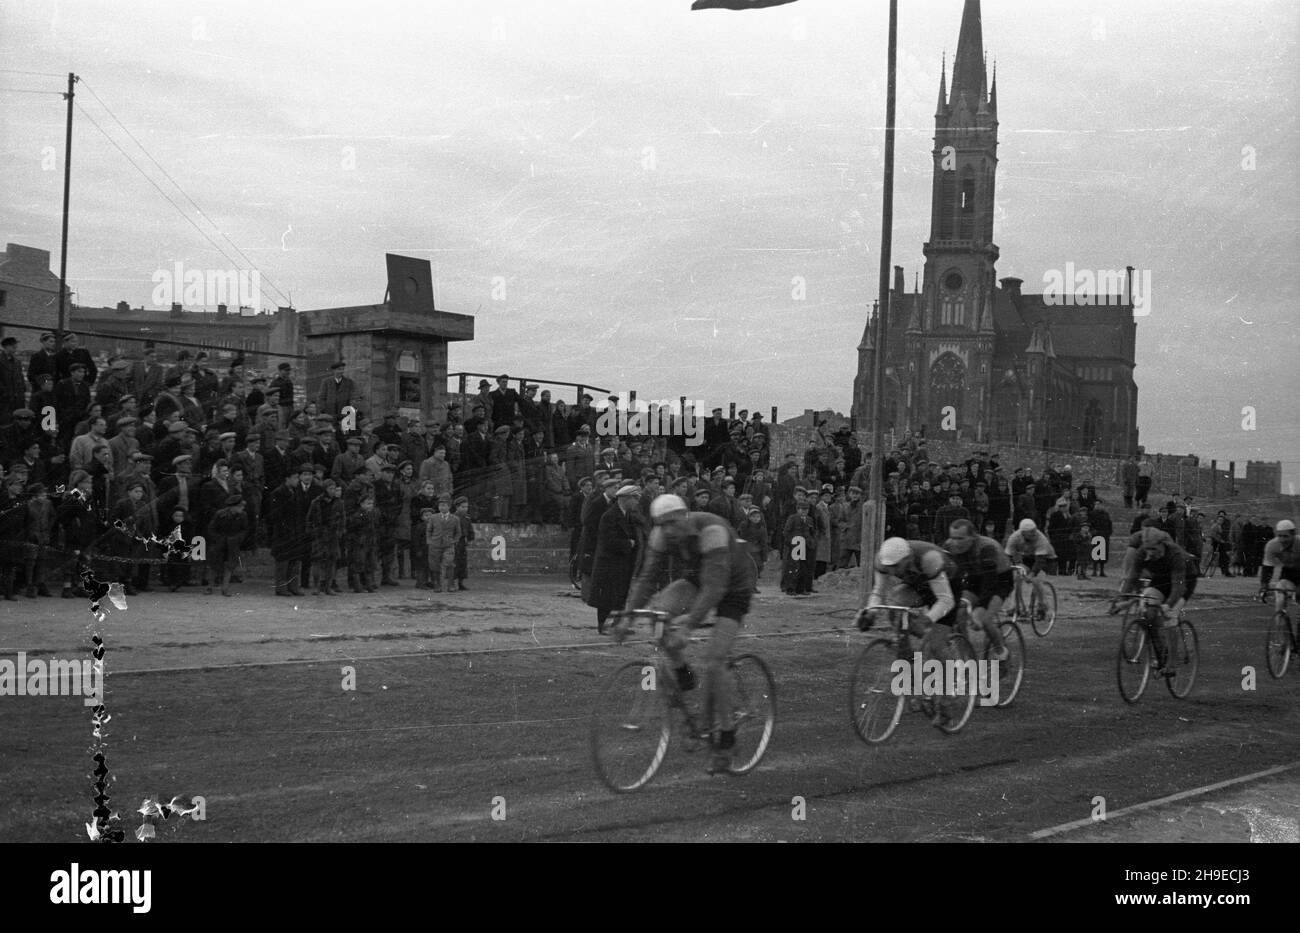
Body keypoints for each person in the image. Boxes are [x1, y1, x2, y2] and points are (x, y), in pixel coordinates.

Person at [619, 494, 757, 774]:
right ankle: (685, 675)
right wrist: (628, 615)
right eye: (661, 525)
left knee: (715, 659)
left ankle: (726, 739)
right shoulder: (661, 536)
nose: (667, 530)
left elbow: (716, 588)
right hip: (698, 579)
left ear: (684, 516)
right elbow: (647, 578)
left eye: (672, 523)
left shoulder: (712, 530)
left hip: (734, 586)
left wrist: (690, 623)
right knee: (659, 615)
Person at [857, 536, 963, 725]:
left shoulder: (929, 559)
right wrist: (870, 612)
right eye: (888, 568)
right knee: (895, 604)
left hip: (947, 587)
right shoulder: (882, 560)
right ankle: (911, 661)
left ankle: (948, 699)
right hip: (919, 584)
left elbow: (946, 601)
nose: (892, 571)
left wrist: (927, 618)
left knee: (936, 644)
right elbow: (878, 591)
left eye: (896, 567)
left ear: (907, 559)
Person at [1117, 524, 1198, 676]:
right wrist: (1122, 599)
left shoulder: (1175, 554)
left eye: (1154, 549)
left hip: (1185, 580)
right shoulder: (1142, 552)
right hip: (1161, 579)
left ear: (1162, 544)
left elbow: (1178, 587)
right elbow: (1132, 576)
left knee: (1170, 617)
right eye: (1147, 549)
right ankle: (1161, 650)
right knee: (1148, 610)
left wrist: (1168, 605)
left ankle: (1171, 665)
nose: (1150, 553)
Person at [942, 519, 1010, 660]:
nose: (956, 542)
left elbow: (989, 585)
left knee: (984, 619)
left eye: (961, 538)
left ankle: (1001, 653)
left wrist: (979, 608)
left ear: (973, 537)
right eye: (953, 538)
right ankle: (966, 659)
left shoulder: (987, 548)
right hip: (975, 578)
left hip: (999, 580)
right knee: (959, 615)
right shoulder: (948, 546)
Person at [588, 484, 646, 633]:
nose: (637, 502)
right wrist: (628, 543)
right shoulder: (610, 516)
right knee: (607, 596)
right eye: (634, 498)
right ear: (625, 499)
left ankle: (617, 625)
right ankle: (604, 626)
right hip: (609, 562)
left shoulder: (627, 515)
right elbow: (607, 541)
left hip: (623, 562)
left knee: (620, 595)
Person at [1005, 518, 1057, 619]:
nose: (1034, 534)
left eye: (1035, 531)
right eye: (1031, 532)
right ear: (1023, 533)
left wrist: (1032, 574)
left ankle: (1042, 607)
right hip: (1027, 557)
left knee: (1036, 581)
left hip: (1045, 559)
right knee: (1016, 578)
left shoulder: (1041, 538)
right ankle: (1015, 607)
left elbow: (1040, 561)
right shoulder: (1014, 538)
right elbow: (1008, 556)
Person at [206, 494, 249, 597]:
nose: (242, 508)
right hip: (219, 543)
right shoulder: (220, 514)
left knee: (229, 566)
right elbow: (211, 529)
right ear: (233, 506)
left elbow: (244, 530)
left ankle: (225, 589)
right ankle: (209, 587)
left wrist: (237, 539)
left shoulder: (243, 515)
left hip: (232, 543)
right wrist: (218, 539)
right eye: (240, 506)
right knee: (214, 566)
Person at [1260, 519, 1299, 611]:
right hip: (1288, 573)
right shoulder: (1272, 545)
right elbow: (1267, 568)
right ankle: (1280, 617)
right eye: (1280, 536)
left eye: (1286, 536)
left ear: (1293, 535)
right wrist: (1264, 586)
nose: (1282, 540)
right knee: (1280, 594)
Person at [425, 496, 460, 592]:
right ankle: (437, 585)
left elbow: (458, 532)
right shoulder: (433, 518)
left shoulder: (455, 519)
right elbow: (429, 531)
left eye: (444, 505)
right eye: (440, 505)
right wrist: (429, 541)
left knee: (449, 563)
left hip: (448, 545)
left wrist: (454, 541)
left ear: (449, 506)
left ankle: (451, 585)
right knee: (435, 565)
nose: (442, 507)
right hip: (435, 545)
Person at [453, 496, 474, 591]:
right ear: (457, 507)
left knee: (462, 563)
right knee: (454, 563)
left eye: (466, 507)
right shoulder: (453, 517)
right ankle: (452, 583)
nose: (465, 509)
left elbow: (470, 530)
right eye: (462, 507)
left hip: (463, 543)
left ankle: (460, 583)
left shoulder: (467, 518)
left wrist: (470, 539)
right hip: (454, 543)